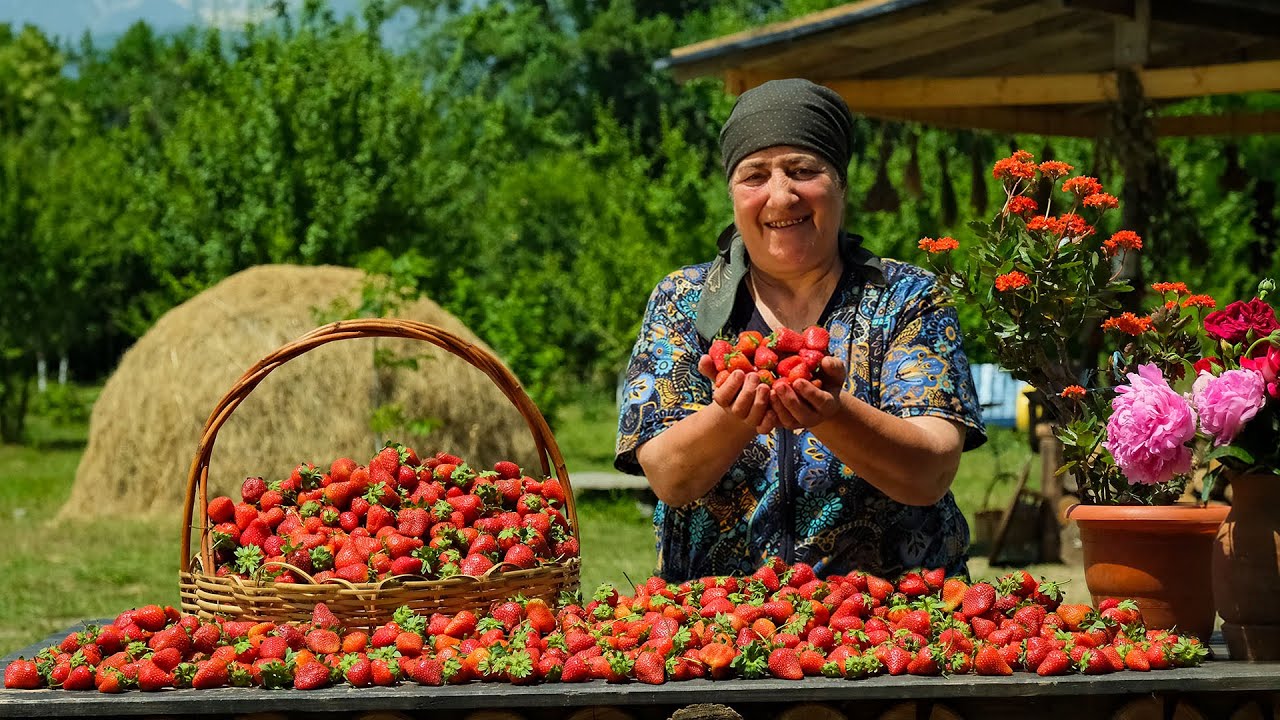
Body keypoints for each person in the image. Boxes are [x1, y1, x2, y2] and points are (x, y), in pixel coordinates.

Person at [614, 78, 986, 582]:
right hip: (721, 624)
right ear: (731, 193)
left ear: (841, 184)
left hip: (894, 626)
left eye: (803, 170)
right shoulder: (683, 300)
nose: (780, 195)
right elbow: (668, 476)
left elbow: (931, 472)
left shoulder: (906, 297)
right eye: (754, 176)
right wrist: (735, 413)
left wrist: (833, 413)